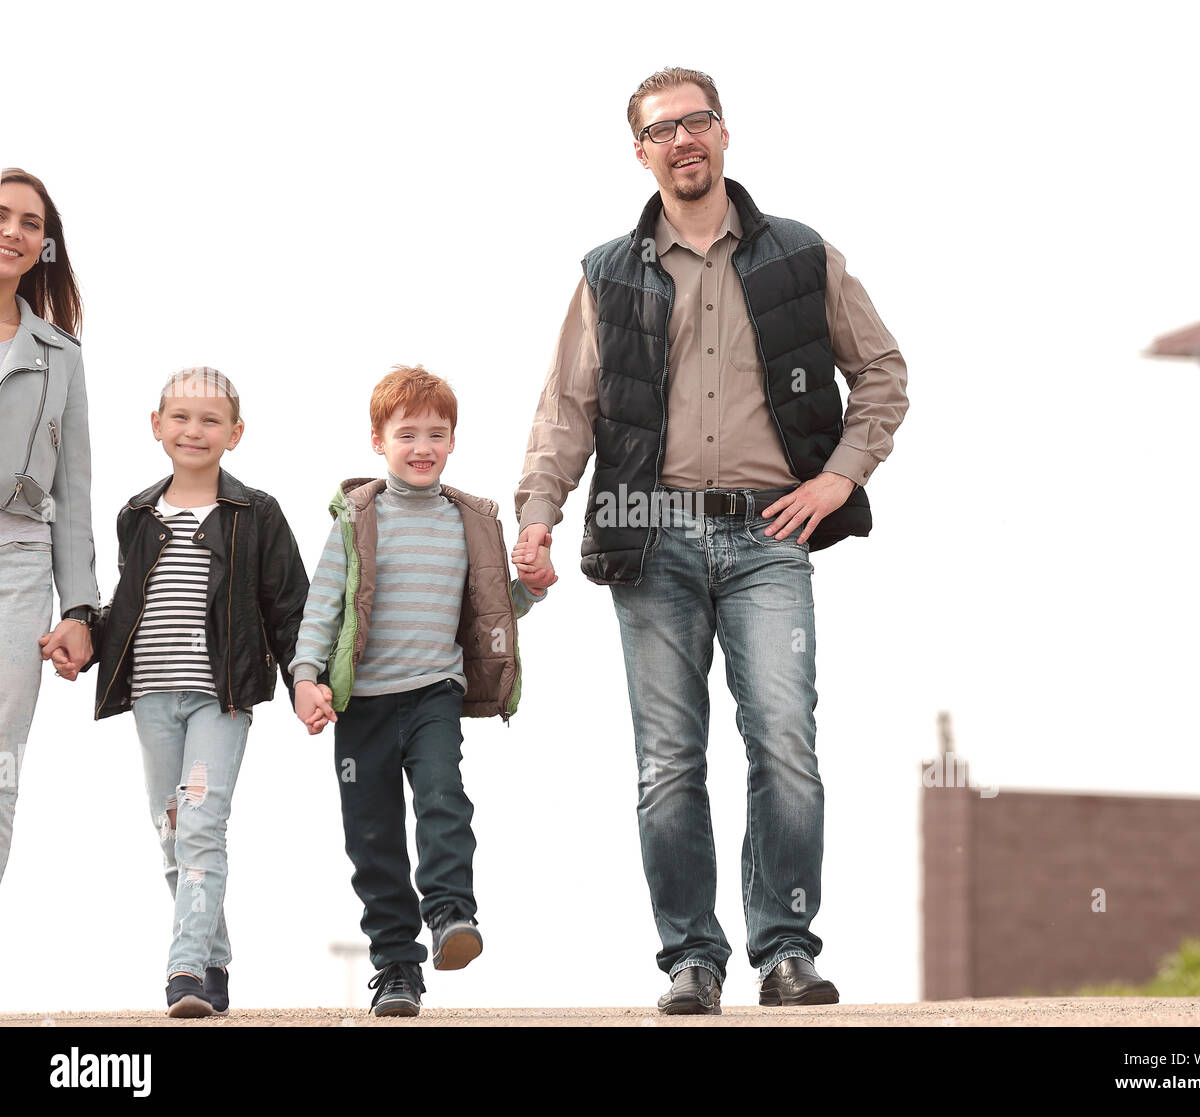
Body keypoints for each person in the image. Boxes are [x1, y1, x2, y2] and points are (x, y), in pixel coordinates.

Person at [513, 68, 909, 1014]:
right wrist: (538, 512)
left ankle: (786, 951)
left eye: (697, 121)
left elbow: (884, 373)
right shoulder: (606, 272)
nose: (682, 139)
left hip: (771, 534)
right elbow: (566, 408)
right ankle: (692, 956)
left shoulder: (802, 256)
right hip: (649, 542)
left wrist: (839, 476)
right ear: (640, 151)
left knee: (785, 743)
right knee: (668, 760)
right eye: (662, 129)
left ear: (724, 133)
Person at [290, 366, 548, 1017]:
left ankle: (451, 913)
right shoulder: (357, 519)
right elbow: (323, 606)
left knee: (443, 797)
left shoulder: (469, 520)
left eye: (437, 433)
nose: (423, 445)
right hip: (363, 704)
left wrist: (534, 585)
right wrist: (305, 678)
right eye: (408, 433)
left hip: (435, 694)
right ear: (378, 440)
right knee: (371, 835)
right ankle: (398, 966)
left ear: (453, 440)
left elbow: (494, 605)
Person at [87, 368, 309, 1017]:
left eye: (211, 419)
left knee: (204, 823)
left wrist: (305, 680)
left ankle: (182, 971)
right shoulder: (137, 514)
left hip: (222, 694)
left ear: (235, 433)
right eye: (180, 416)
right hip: (150, 694)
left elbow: (288, 607)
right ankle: (214, 959)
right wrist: (84, 632)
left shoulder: (256, 512)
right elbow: (127, 602)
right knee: (172, 831)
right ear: (156, 426)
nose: (194, 429)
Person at [0, 167, 98, 885]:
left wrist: (80, 608)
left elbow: (75, 488)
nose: (13, 231)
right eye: (3, 216)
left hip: (19, 564)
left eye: (30, 223)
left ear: (45, 246)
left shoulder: (61, 355)